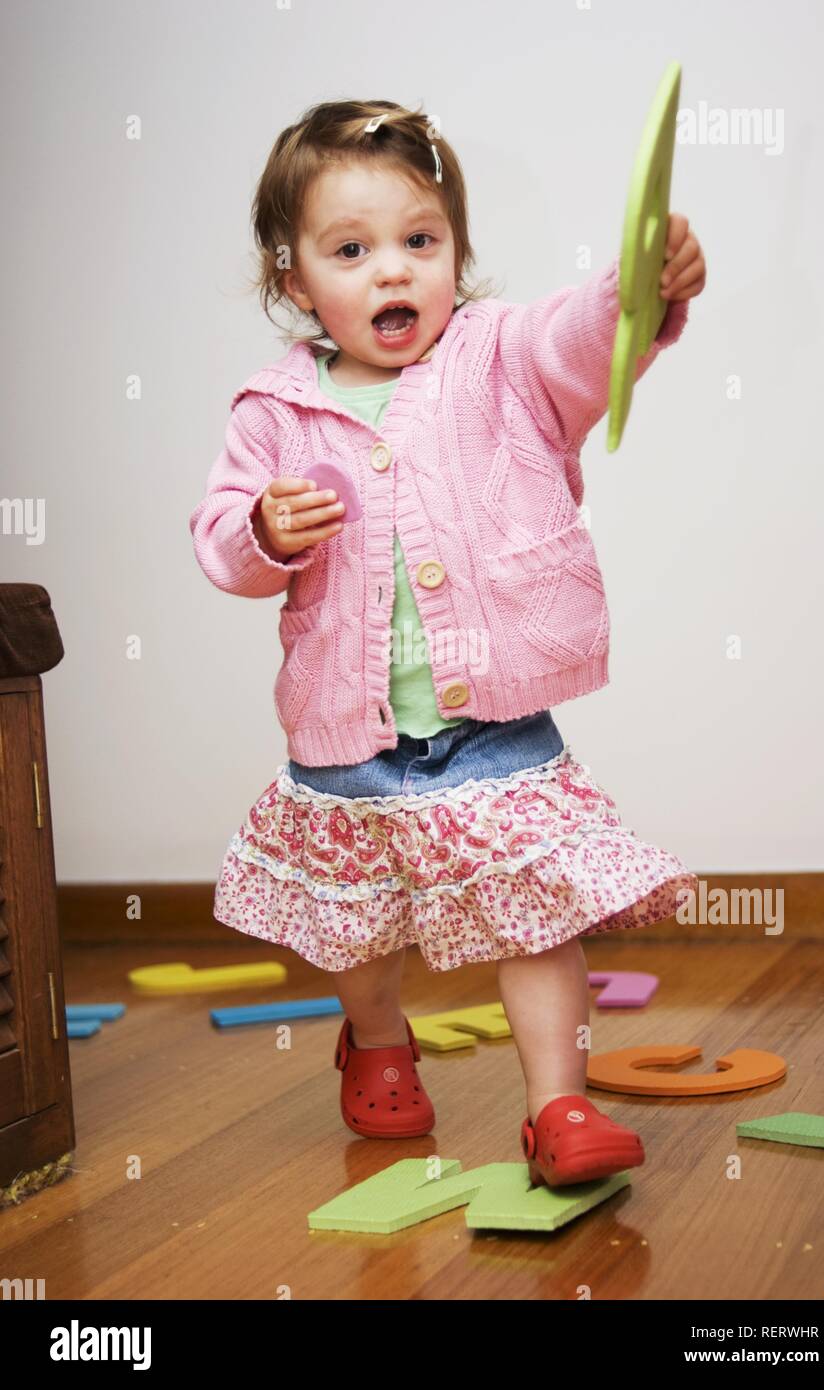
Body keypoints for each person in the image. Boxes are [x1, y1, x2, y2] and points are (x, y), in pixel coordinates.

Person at [189, 99, 707, 1188]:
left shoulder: (497, 359)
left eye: (419, 243)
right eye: (351, 250)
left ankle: (557, 1106)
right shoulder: (272, 411)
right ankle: (376, 1038)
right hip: (349, 741)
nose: (392, 273)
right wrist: (260, 530)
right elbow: (224, 550)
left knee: (536, 914)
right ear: (294, 281)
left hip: (491, 726)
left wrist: (635, 287)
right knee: (357, 933)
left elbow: (577, 336)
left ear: (455, 254)